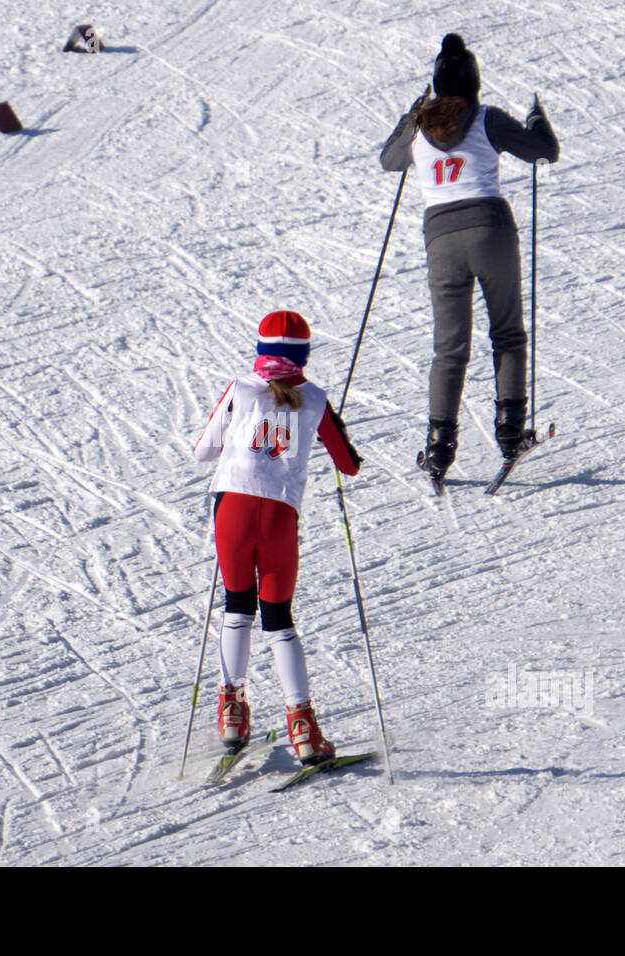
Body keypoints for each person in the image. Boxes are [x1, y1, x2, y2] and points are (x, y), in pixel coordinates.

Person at [380, 33, 560, 479]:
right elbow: (544, 153)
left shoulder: (419, 127)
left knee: (449, 349)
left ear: (437, 84)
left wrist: (411, 113)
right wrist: (537, 120)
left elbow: (389, 161)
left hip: (441, 239)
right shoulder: (485, 118)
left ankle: (440, 446)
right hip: (491, 229)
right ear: (475, 83)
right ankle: (510, 431)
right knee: (508, 334)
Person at [192, 310, 362, 765]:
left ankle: (231, 709)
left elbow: (202, 451)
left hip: (232, 510)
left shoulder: (240, 388)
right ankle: (303, 725)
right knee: (278, 619)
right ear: (304, 355)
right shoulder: (316, 399)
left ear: (261, 350)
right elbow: (349, 465)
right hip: (279, 515)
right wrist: (329, 427)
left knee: (237, 606)